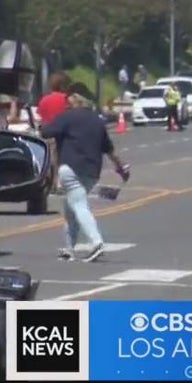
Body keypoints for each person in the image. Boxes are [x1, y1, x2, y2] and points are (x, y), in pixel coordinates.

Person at [41, 91, 130, 263]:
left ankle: (96, 242)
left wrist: (42, 126)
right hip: (92, 171)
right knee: (71, 208)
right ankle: (69, 248)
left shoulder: (66, 117)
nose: (66, 105)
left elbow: (47, 132)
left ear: (75, 103)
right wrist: (121, 168)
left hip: (70, 167)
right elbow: (109, 150)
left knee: (78, 204)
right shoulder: (98, 121)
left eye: (68, 102)